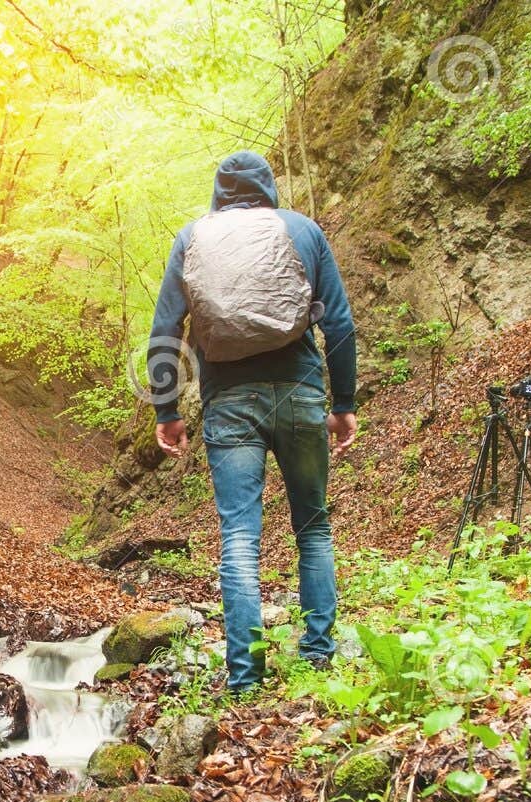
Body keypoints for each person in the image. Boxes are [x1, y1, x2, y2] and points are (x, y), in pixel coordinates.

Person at [147, 150, 357, 694]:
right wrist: (343, 403)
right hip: (300, 392)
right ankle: (317, 657)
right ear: (268, 188)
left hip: (228, 401)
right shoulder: (303, 231)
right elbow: (338, 322)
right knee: (312, 525)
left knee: (239, 536)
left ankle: (245, 679)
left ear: (219, 191)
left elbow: (166, 328)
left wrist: (167, 412)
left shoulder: (193, 237)